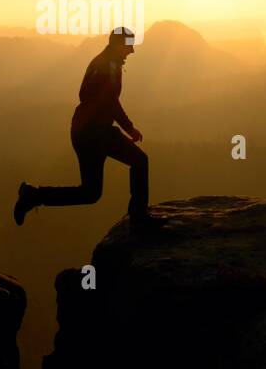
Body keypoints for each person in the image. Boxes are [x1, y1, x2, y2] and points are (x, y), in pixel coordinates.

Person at [14, 26, 162, 232]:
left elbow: (86, 94)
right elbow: (110, 100)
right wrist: (129, 127)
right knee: (139, 161)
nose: (132, 51)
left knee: (90, 193)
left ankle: (33, 196)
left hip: (86, 131)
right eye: (129, 46)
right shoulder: (108, 65)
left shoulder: (101, 62)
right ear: (119, 45)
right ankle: (138, 217)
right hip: (95, 133)